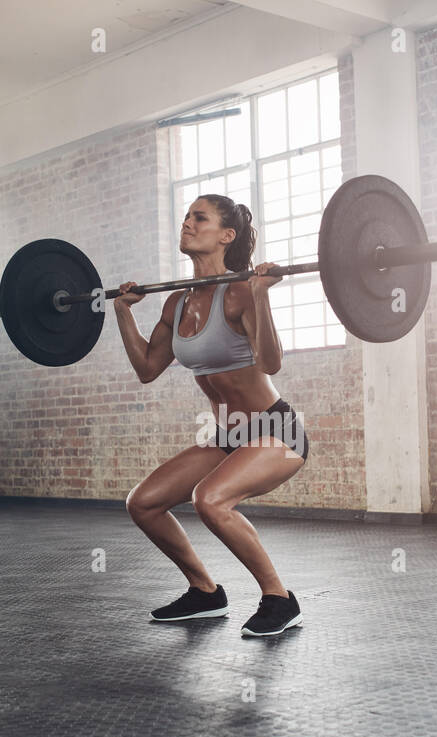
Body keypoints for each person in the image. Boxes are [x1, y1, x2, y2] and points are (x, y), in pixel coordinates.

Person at [114, 195, 310, 638]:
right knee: (143, 504)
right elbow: (147, 369)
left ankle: (279, 598)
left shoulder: (240, 292)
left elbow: (271, 362)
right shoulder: (176, 303)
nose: (187, 222)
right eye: (185, 215)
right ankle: (204, 592)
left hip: (276, 430)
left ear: (227, 235)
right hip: (229, 435)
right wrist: (123, 312)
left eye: (198, 217)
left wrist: (260, 296)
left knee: (210, 499)